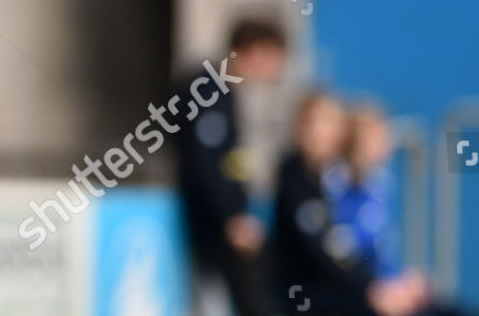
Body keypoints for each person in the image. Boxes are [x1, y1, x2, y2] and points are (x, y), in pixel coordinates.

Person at [174, 16, 289, 316]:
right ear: (253, 51)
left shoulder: (225, 93)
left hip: (221, 224)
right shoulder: (206, 90)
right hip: (209, 226)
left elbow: (229, 163)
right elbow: (204, 162)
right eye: (272, 59)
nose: (273, 71)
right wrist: (230, 219)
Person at [273, 94, 422, 316]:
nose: (319, 133)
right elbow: (326, 255)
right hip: (307, 294)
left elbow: (371, 252)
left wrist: (396, 282)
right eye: (312, 123)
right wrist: (372, 289)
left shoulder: (352, 181)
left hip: (345, 288)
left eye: (328, 124)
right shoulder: (297, 182)